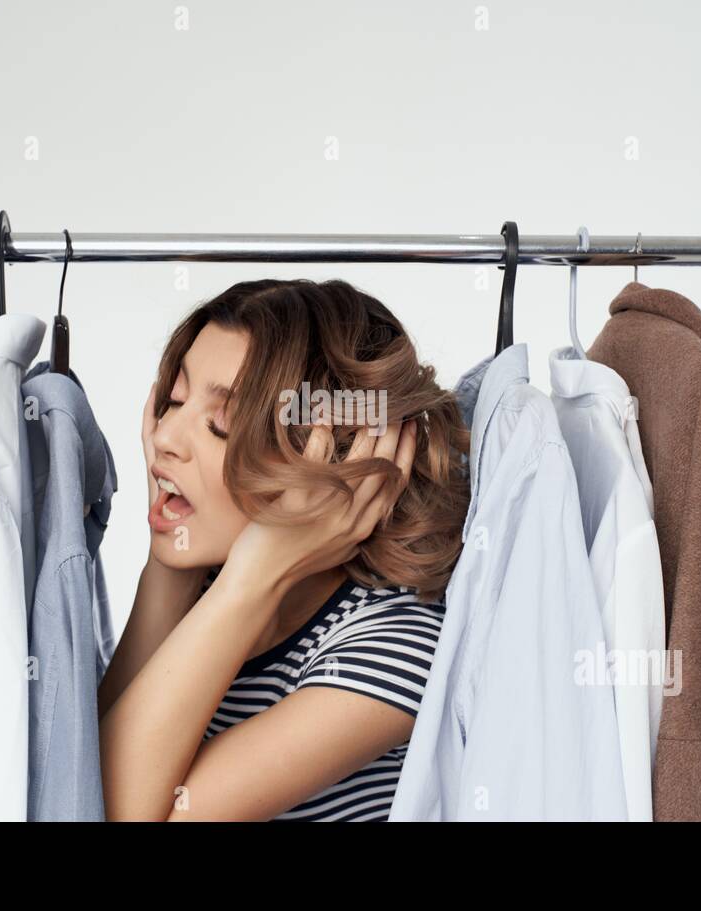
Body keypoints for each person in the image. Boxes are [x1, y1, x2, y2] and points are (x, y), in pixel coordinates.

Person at [98, 278, 471, 821]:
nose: (164, 438)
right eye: (173, 402)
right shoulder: (208, 588)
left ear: (335, 459)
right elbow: (74, 782)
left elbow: (111, 811)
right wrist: (170, 563)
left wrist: (253, 579)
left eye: (220, 425)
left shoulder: (398, 644)